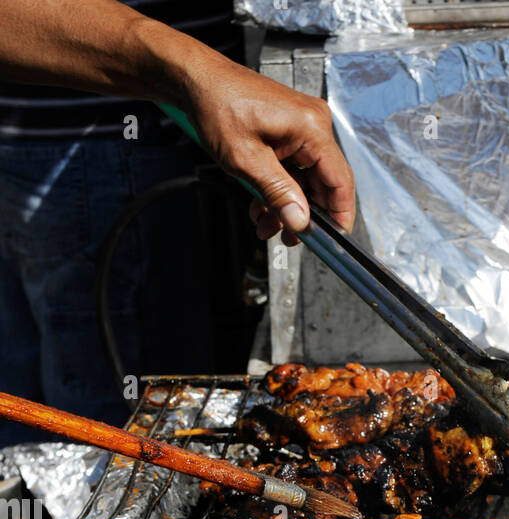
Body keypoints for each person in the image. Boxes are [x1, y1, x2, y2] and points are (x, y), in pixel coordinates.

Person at [0, 0, 355, 443]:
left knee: (37, 419)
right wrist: (194, 71)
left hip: (70, 141)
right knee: (119, 434)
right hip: (103, 148)